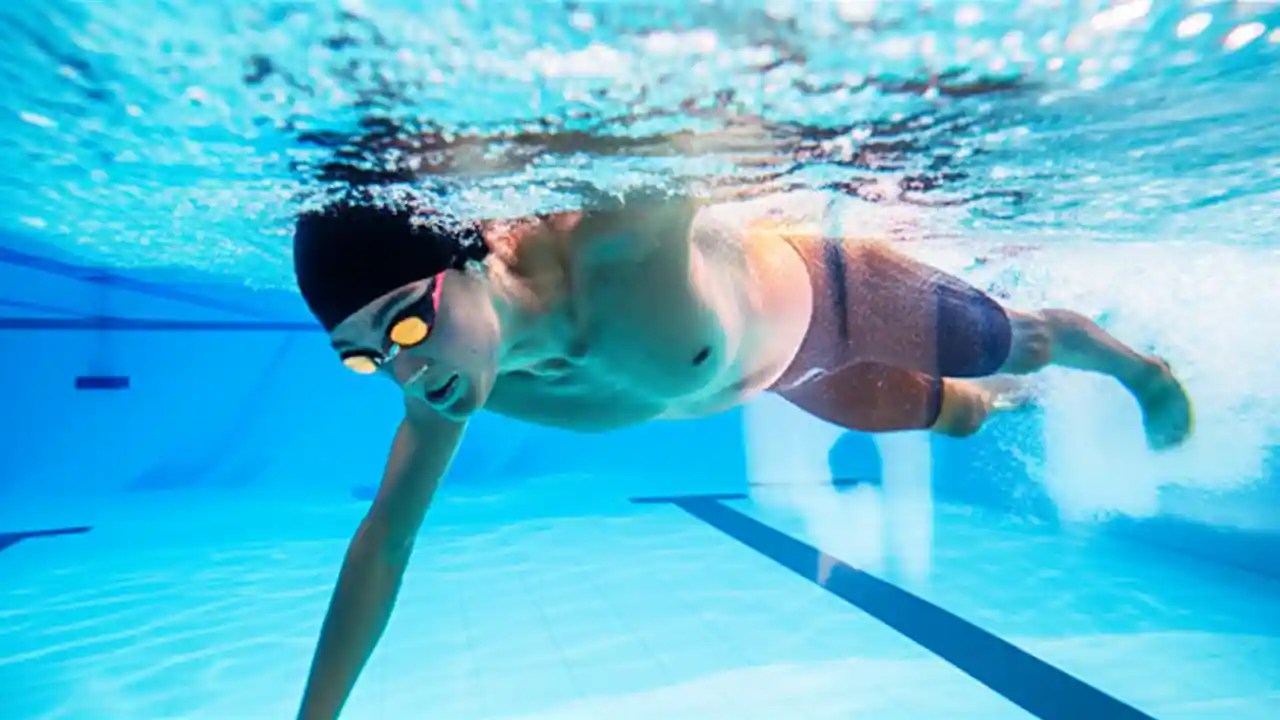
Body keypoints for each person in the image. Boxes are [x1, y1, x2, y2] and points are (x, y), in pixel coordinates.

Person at [290, 189, 1193, 719]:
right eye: (364, 354)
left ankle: (1129, 365)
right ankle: (1014, 397)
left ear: (473, 259)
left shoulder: (611, 247)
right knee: (961, 417)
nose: (401, 367)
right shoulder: (447, 378)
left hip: (837, 298)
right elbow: (387, 540)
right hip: (779, 378)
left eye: (408, 320)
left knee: (1018, 341)